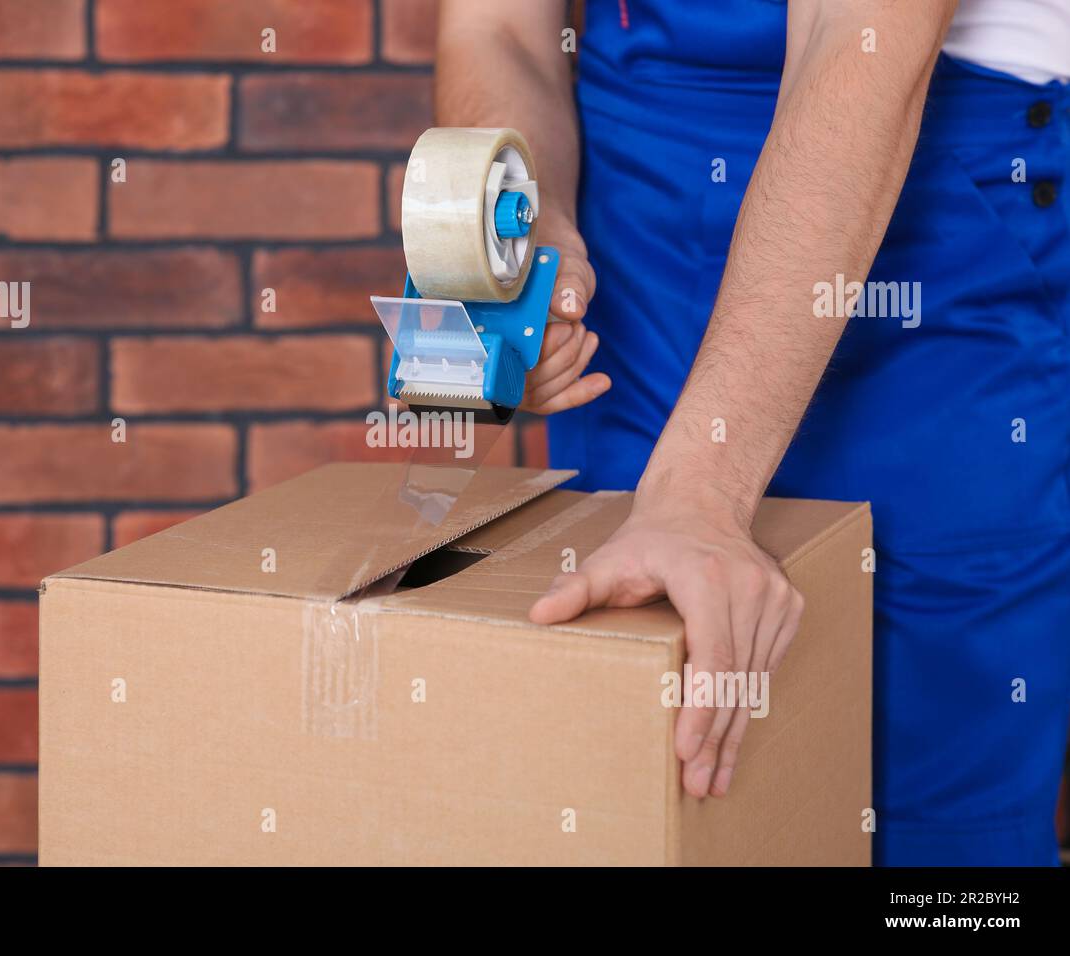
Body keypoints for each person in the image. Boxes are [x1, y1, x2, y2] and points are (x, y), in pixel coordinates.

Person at [434, 0, 1070, 865]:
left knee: (937, 807)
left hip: (930, 192)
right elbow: (496, 28)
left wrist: (699, 491)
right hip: (636, 213)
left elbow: (860, 38)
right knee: (654, 768)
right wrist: (529, 222)